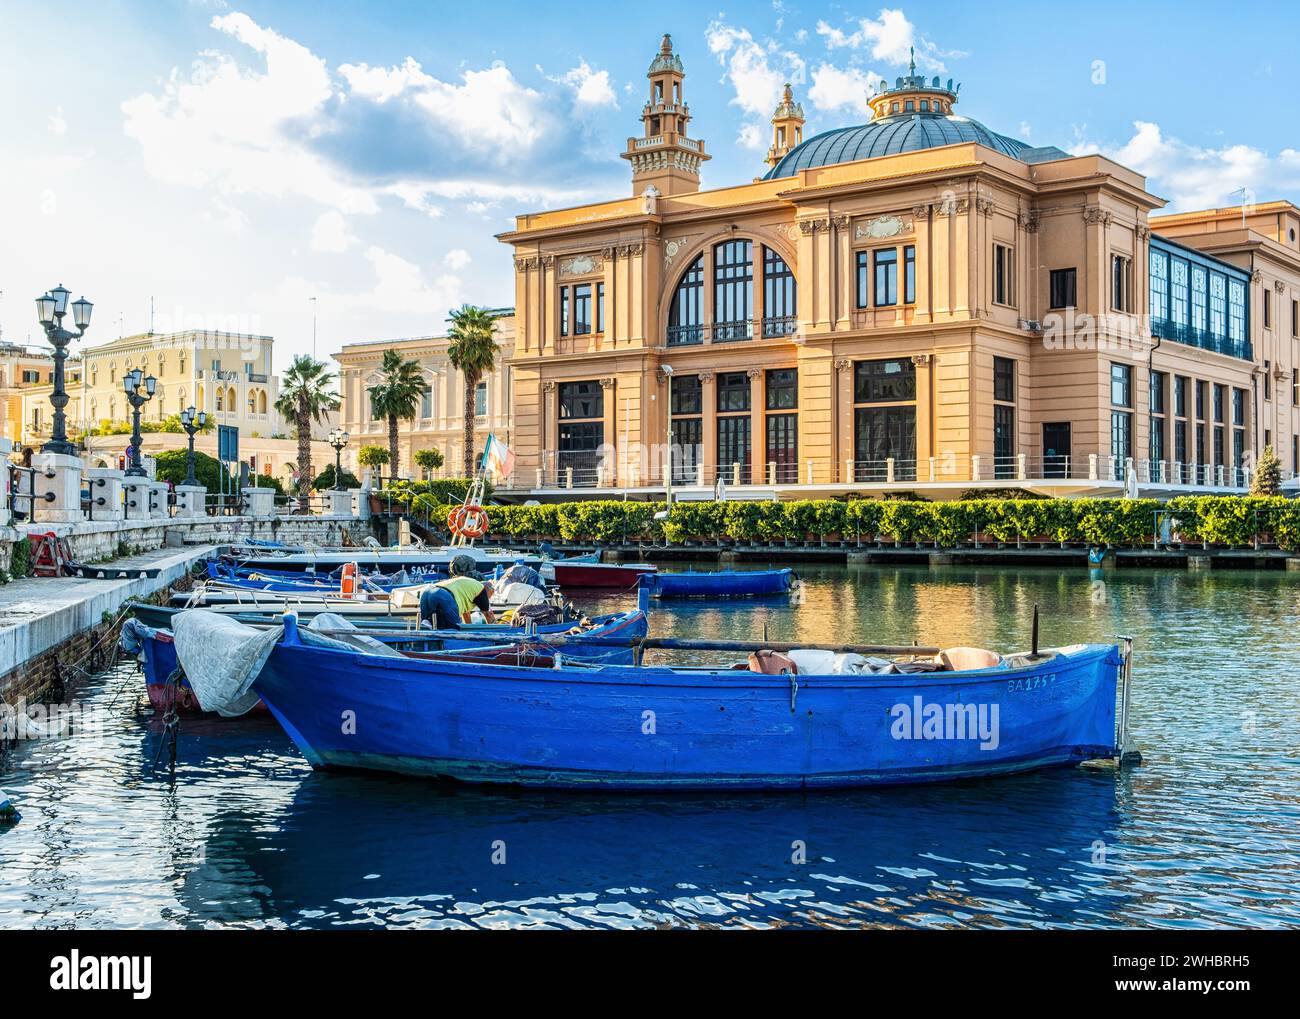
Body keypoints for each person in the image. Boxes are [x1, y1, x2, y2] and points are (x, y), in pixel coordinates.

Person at [418, 555, 496, 629]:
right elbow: (489, 615)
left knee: (432, 626)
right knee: (454, 630)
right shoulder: (480, 589)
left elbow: (466, 614)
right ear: (489, 590)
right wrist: (498, 633)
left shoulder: (466, 588)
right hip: (444, 596)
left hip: (427, 592)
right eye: (491, 595)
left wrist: (469, 630)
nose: (489, 598)